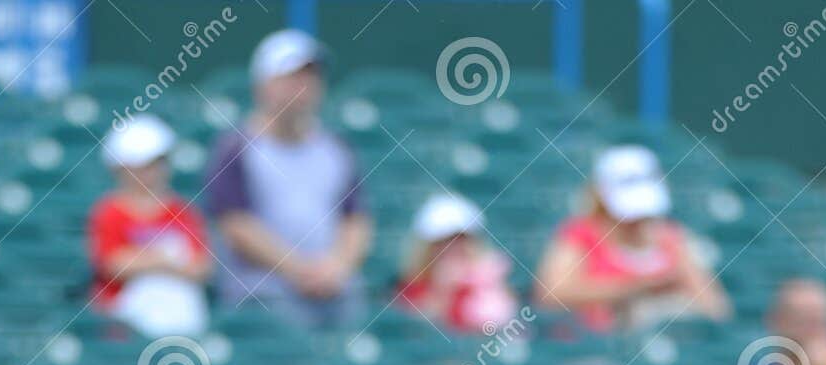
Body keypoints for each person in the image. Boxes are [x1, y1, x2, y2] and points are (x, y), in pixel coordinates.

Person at [204, 29, 371, 326]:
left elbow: (355, 220)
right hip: (261, 292)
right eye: (291, 77)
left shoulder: (337, 148)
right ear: (263, 85)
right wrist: (298, 270)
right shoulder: (235, 147)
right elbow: (235, 225)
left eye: (310, 77)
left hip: (331, 289)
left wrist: (337, 267)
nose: (303, 86)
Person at [534, 145, 730, 333]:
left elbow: (716, 308)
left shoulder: (671, 238)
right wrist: (637, 288)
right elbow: (551, 294)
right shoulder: (579, 235)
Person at [89, 115, 211, 336]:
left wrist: (147, 261)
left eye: (155, 164)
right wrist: (165, 260)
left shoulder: (182, 211)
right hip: (123, 317)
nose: (149, 173)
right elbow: (112, 264)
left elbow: (201, 267)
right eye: (140, 166)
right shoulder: (109, 212)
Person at [395, 193, 521, 335]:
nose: (452, 248)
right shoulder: (408, 290)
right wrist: (444, 292)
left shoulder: (493, 285)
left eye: (461, 240)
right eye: (442, 242)